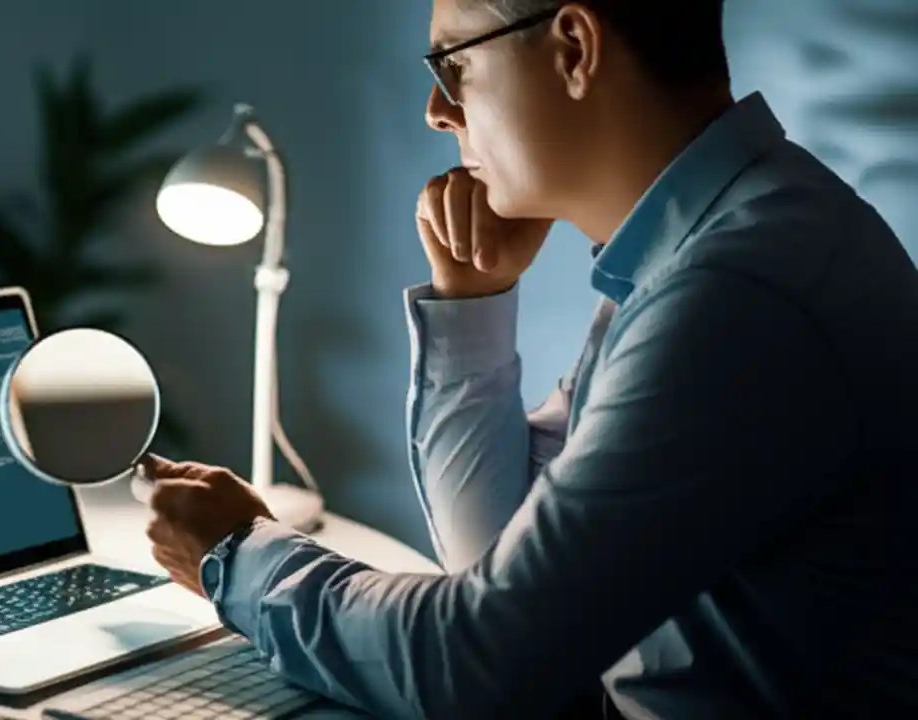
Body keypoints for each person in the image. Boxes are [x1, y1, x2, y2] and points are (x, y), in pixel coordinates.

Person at [142, 0, 918, 717]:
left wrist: (239, 559)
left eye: (454, 64)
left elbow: (479, 663)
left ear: (574, 49)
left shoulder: (736, 291)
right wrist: (472, 303)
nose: (437, 110)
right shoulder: (702, 251)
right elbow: (499, 561)